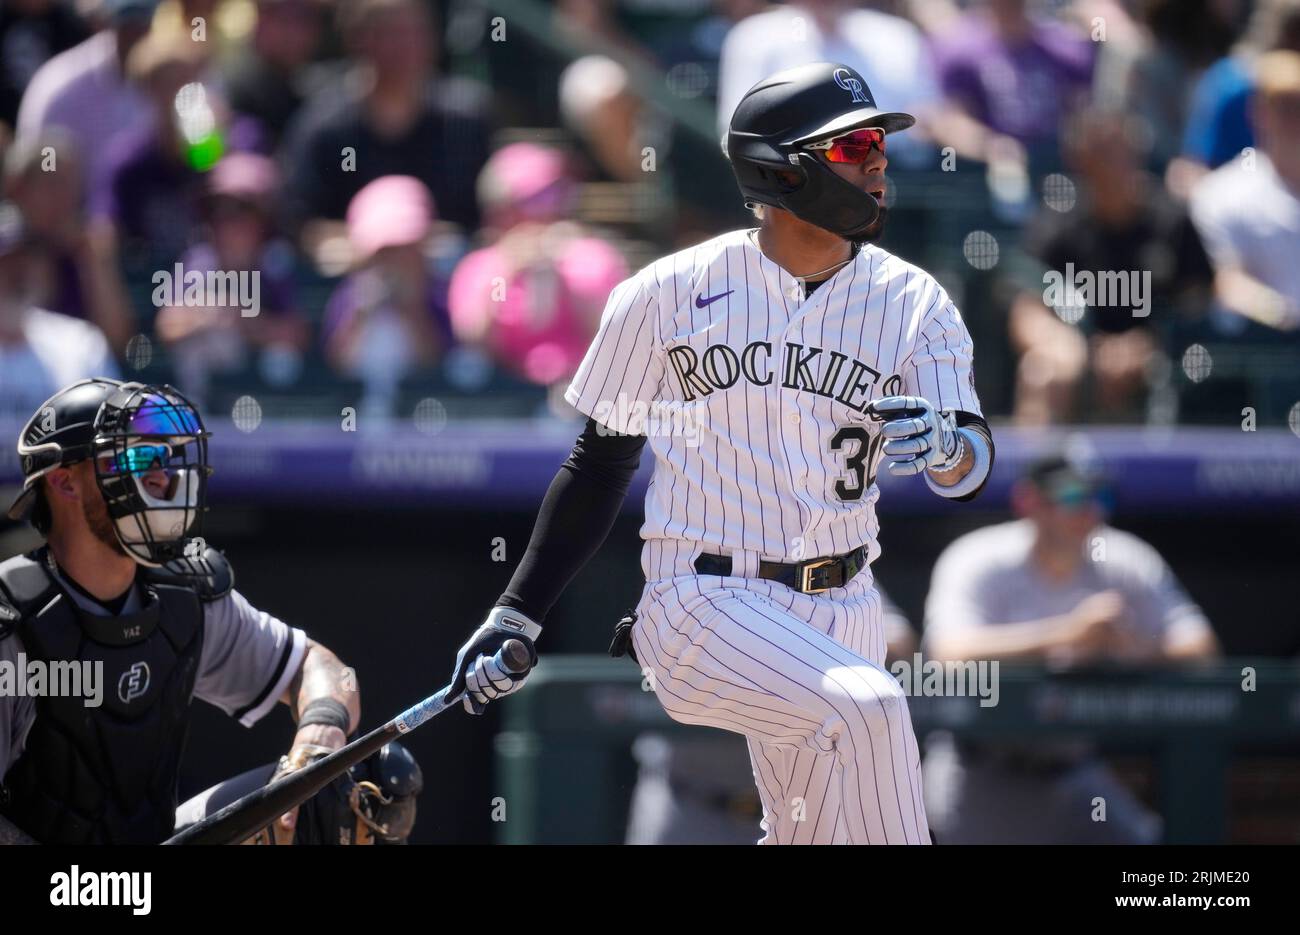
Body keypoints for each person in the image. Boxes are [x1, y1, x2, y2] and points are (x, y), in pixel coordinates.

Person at [443, 62, 996, 845]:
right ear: (780, 168)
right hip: (703, 599)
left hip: (845, 605)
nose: (878, 160)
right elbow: (602, 462)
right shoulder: (667, 292)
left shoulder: (914, 301)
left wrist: (946, 446)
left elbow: (970, 466)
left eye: (880, 142)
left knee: (813, 832)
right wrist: (519, 611)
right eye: (855, 144)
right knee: (870, 707)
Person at [0, 378, 361, 844]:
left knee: (353, 788)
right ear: (64, 481)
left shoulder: (182, 591)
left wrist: (319, 738)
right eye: (136, 456)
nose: (163, 475)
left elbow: (319, 666)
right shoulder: (13, 620)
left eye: (167, 457)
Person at [921, 453, 1219, 844]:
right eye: (1074, 496)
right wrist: (1066, 634)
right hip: (980, 772)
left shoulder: (1122, 558)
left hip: (1073, 772)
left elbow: (1202, 650)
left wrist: (1132, 649)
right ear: (1030, 502)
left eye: (1100, 497)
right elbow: (948, 655)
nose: (1091, 511)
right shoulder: (979, 558)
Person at [279, 0, 491, 262]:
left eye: (416, 31)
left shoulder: (465, 120)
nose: (407, 45)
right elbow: (303, 225)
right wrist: (381, 243)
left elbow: (483, 222)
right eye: (392, 32)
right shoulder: (323, 127)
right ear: (357, 39)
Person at [448, 142, 628, 387]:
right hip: (503, 398)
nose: (551, 207)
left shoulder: (594, 256)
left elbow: (617, 338)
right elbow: (473, 343)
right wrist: (509, 269)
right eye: (536, 199)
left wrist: (564, 278)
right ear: (501, 210)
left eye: (557, 194)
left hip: (582, 394)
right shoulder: (479, 267)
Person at [1188, 50, 1300, 334]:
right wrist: (1284, 315)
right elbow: (1227, 284)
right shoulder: (1222, 193)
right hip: (1259, 353)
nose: (1296, 119)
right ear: (1260, 111)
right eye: (1287, 106)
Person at [15, 0, 157, 184]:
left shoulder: (175, 79)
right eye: (128, 24)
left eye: (145, 24)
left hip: (152, 207)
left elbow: (198, 155)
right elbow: (41, 178)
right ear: (103, 22)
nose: (137, 34)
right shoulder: (59, 87)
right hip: (76, 210)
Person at [0, 204, 119, 421]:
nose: (16, 273)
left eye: (23, 260)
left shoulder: (80, 343)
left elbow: (107, 430)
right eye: (5, 263)